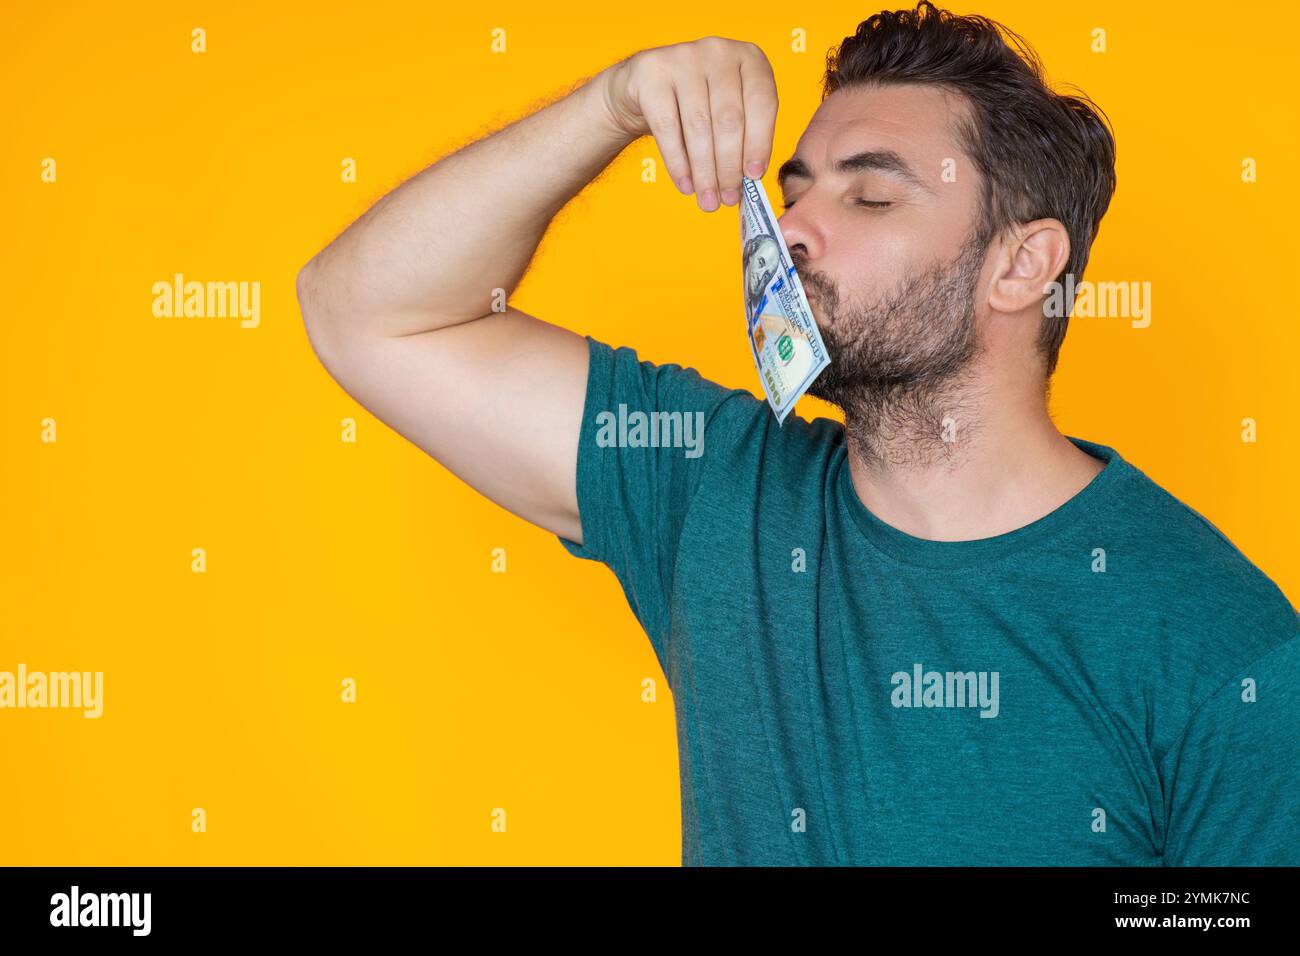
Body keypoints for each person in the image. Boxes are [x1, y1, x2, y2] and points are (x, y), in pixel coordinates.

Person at [295, 2, 1300, 865]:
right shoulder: (708, 488)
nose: (793, 231)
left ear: (1021, 264)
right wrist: (614, 104)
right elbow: (366, 311)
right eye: (793, 192)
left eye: (869, 193)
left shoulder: (1225, 648)